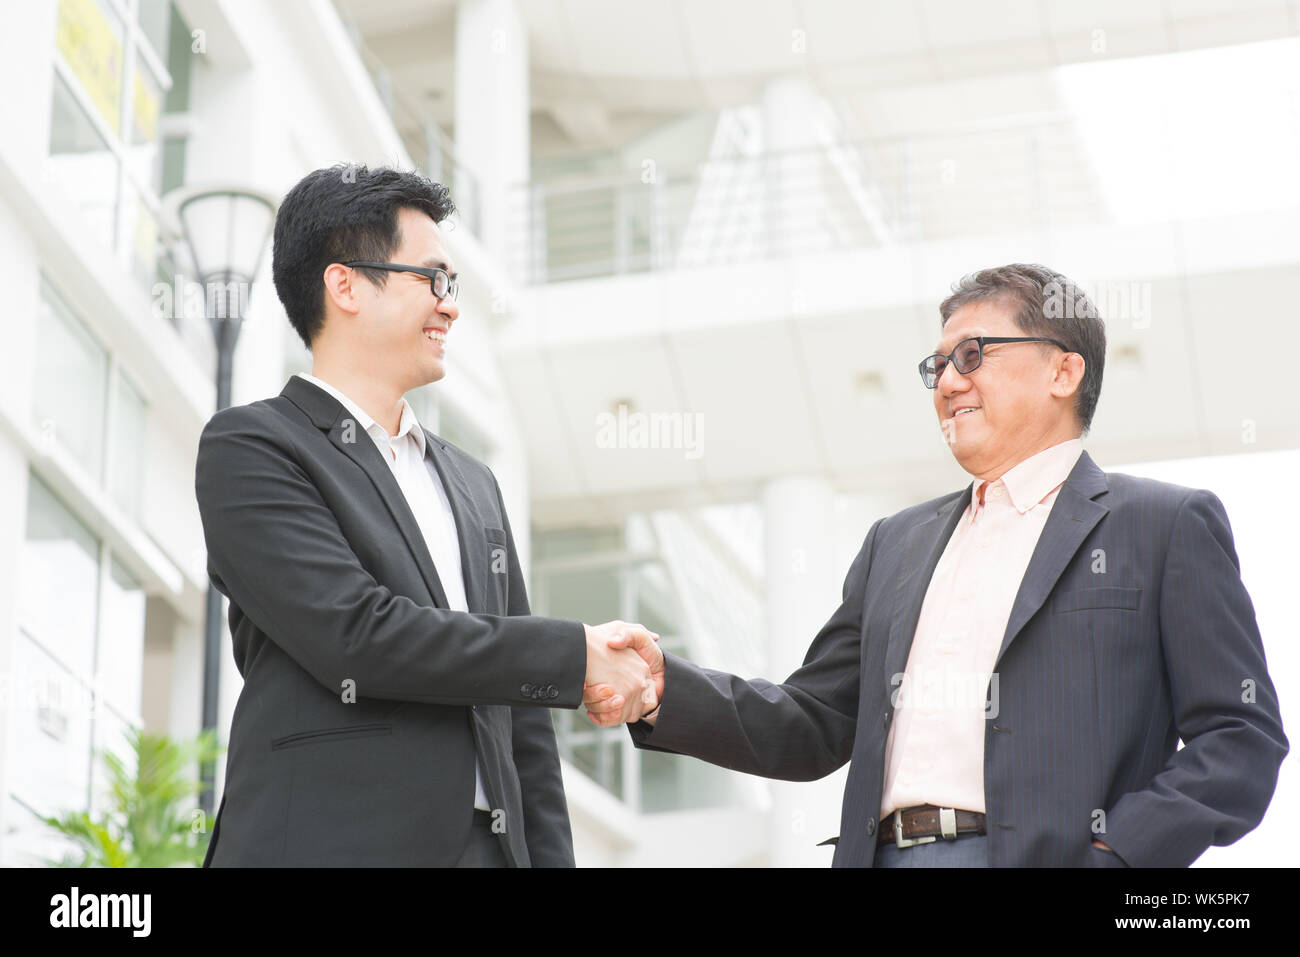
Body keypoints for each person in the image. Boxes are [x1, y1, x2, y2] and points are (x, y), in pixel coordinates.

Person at [584, 263, 1289, 867]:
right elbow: (812, 720)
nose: (948, 381)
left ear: (1063, 370)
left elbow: (1241, 738)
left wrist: (1117, 855)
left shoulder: (1164, 525)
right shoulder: (897, 542)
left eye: (974, 354)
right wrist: (658, 689)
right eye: (938, 364)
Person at [195, 165, 659, 867]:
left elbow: (524, 729)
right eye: (433, 279)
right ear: (345, 283)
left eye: (454, 285)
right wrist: (573, 652)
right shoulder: (252, 447)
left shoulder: (474, 484)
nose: (451, 306)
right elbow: (355, 633)